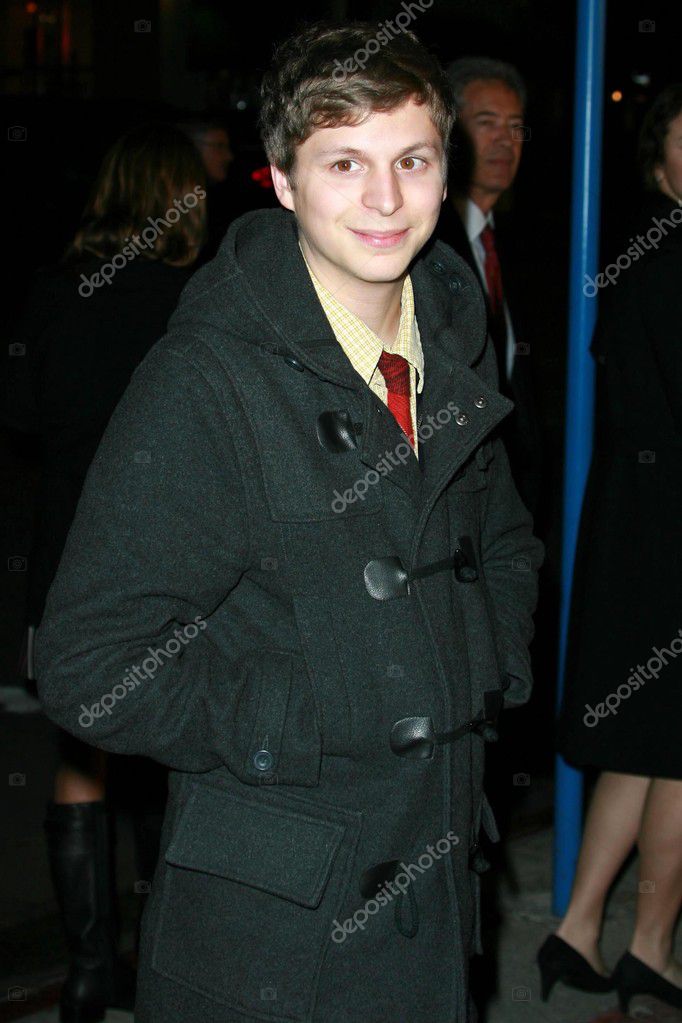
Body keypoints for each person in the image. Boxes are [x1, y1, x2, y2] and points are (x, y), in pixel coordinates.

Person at [35, 21, 543, 1023]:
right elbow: (90, 666)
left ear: (448, 170)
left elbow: (508, 539)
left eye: (412, 160)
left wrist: (486, 662)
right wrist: (323, 715)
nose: (386, 200)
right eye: (344, 163)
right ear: (280, 177)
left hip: (434, 891)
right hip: (275, 927)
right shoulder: (207, 379)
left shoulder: (450, 336)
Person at [4, 122, 206, 1023]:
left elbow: (24, 413)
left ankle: (90, 970)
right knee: (170, 757)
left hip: (68, 560)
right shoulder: (192, 299)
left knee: (81, 751)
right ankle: (168, 956)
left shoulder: (55, 294)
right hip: (171, 559)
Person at [538, 84, 682, 1015]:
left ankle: (579, 926)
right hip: (668, 541)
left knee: (643, 747)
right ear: (659, 158)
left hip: (640, 539)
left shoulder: (646, 254)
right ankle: (653, 946)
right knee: (677, 756)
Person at [437, 57, 543, 522]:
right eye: (487, 123)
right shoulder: (428, 246)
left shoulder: (524, 246)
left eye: (516, 127)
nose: (506, 141)